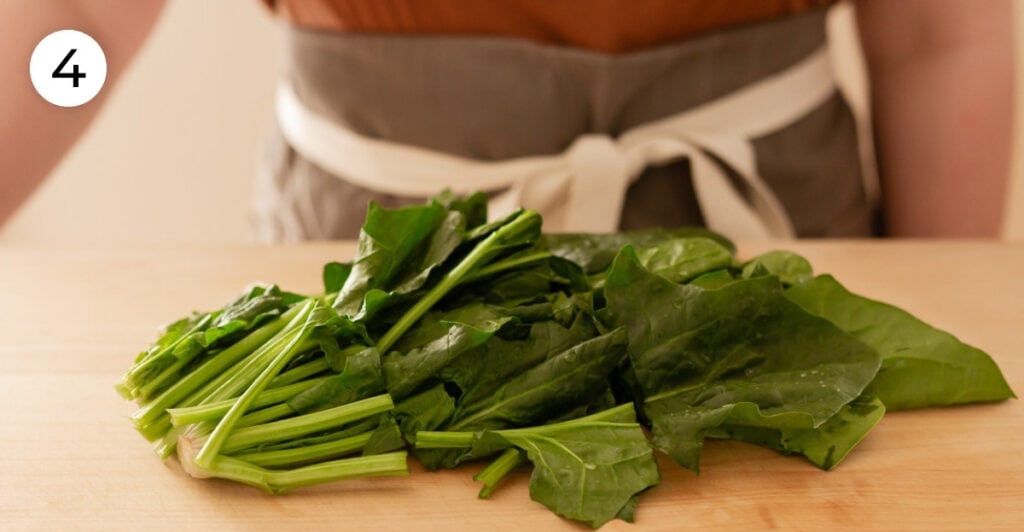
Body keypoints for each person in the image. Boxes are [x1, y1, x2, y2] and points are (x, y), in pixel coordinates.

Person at [0, 0, 1014, 241]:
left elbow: (937, 32)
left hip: (773, 268)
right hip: (355, 291)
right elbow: (70, 31)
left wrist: (948, 336)